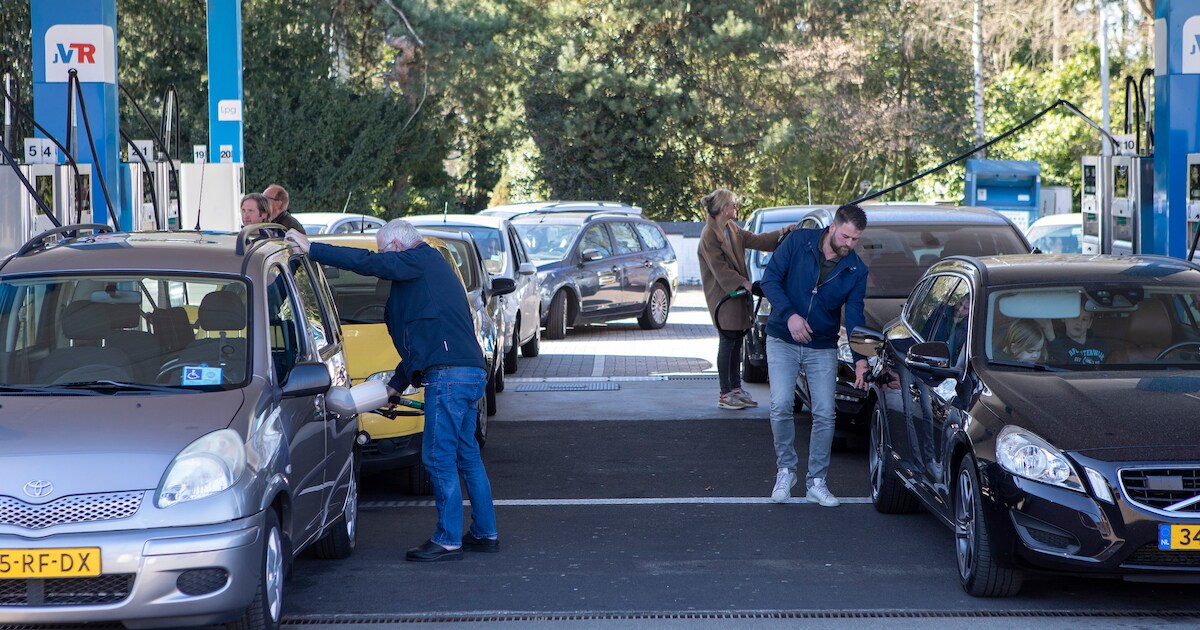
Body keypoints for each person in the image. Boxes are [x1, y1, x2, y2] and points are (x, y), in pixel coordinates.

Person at [286, 220, 498, 562]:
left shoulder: (418, 259)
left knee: (438, 457)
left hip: (448, 376)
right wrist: (395, 386)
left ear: (398, 247)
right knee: (466, 455)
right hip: (467, 373)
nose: (383, 259)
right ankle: (485, 532)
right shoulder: (429, 271)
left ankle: (447, 540)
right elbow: (423, 342)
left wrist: (313, 249)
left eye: (385, 251)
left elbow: (368, 263)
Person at [759, 203, 869, 507]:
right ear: (832, 227)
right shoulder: (798, 241)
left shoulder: (856, 270)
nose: (849, 244)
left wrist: (860, 358)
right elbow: (769, 280)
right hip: (782, 337)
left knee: (825, 413)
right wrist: (790, 315)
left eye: (855, 239)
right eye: (845, 236)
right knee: (781, 404)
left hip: (821, 345)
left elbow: (855, 316)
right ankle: (786, 470)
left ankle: (816, 482)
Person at [697, 188, 793, 410]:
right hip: (723, 295)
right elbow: (720, 269)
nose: (736, 208)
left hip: (737, 295)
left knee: (737, 340)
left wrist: (783, 232)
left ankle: (735, 388)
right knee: (728, 340)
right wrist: (744, 283)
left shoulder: (731, 228)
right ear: (724, 208)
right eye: (733, 204)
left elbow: (757, 240)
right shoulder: (709, 235)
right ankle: (725, 393)